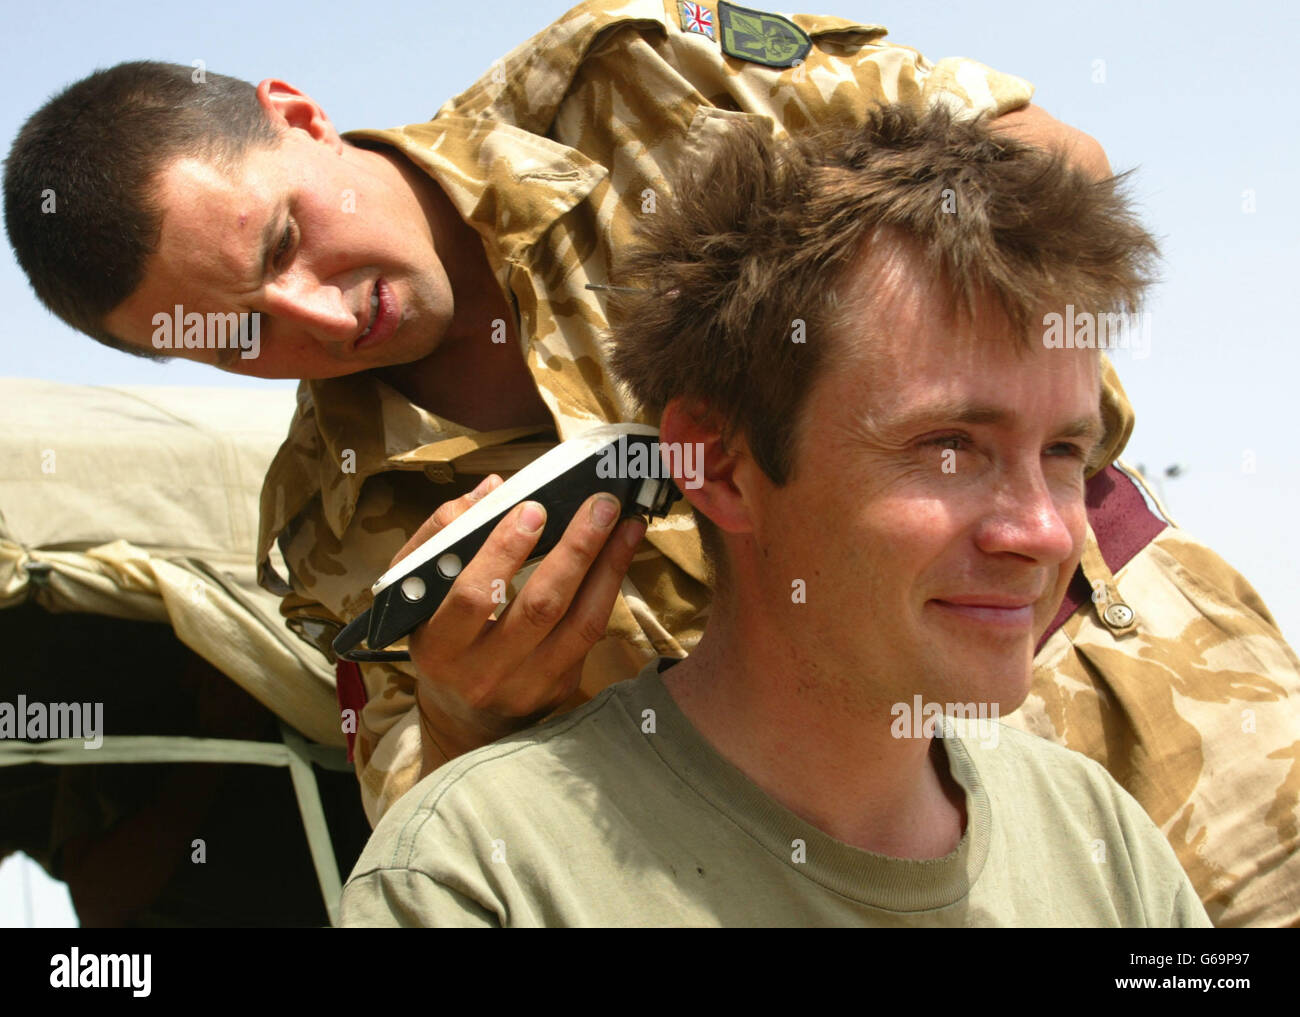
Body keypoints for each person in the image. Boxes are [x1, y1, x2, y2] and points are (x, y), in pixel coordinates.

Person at [5, 2, 1297, 925]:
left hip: (1157, 688)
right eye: (236, 331)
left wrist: (839, 290)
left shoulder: (635, 74)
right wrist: (468, 711)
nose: (322, 317)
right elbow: (443, 827)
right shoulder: (336, 520)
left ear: (296, 113)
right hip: (841, 864)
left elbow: (1056, 163)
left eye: (289, 236)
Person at [339, 105, 1211, 926]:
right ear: (718, 464)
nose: (1047, 533)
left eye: (1064, 453)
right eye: (949, 447)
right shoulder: (475, 876)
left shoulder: (1104, 842)